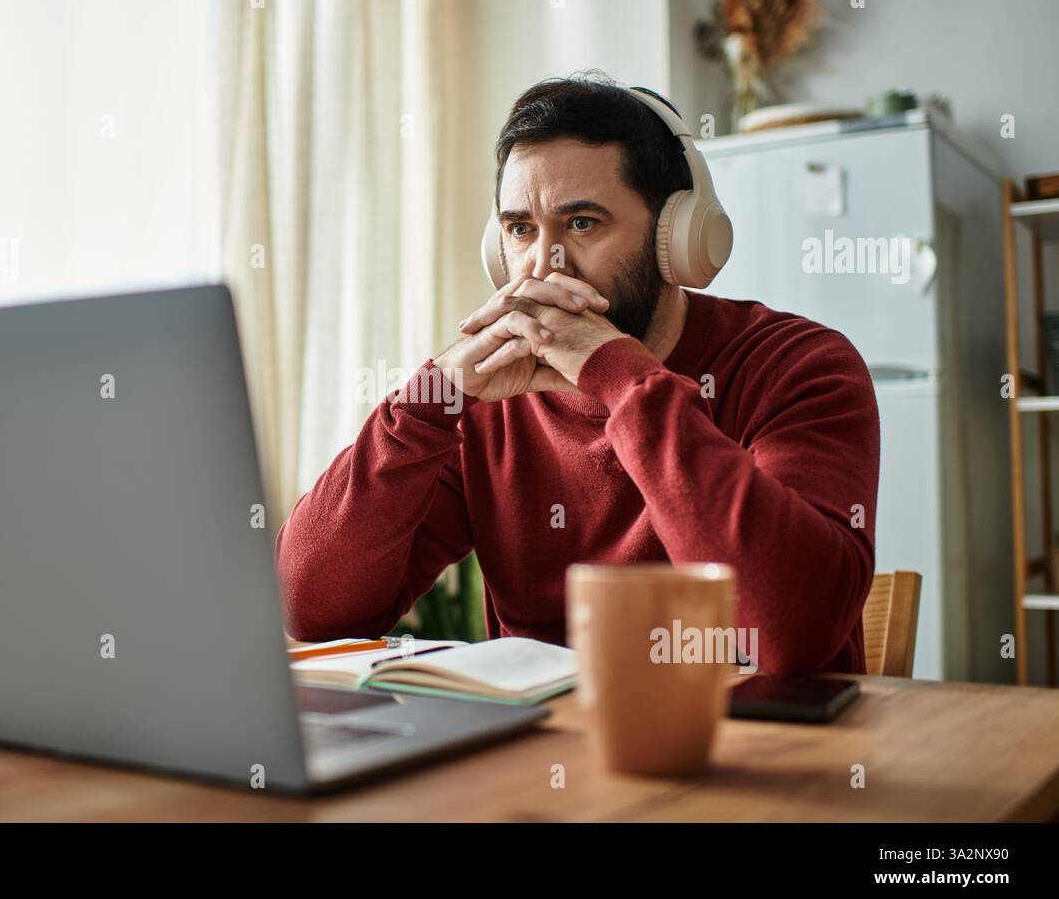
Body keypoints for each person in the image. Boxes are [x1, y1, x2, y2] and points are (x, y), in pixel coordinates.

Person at [275, 73, 880, 674]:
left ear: (676, 237)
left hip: (760, 753)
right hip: (547, 755)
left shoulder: (799, 366)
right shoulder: (491, 401)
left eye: (583, 223)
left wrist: (619, 378)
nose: (544, 264)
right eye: (519, 229)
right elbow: (313, 609)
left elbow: (791, 632)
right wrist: (426, 403)